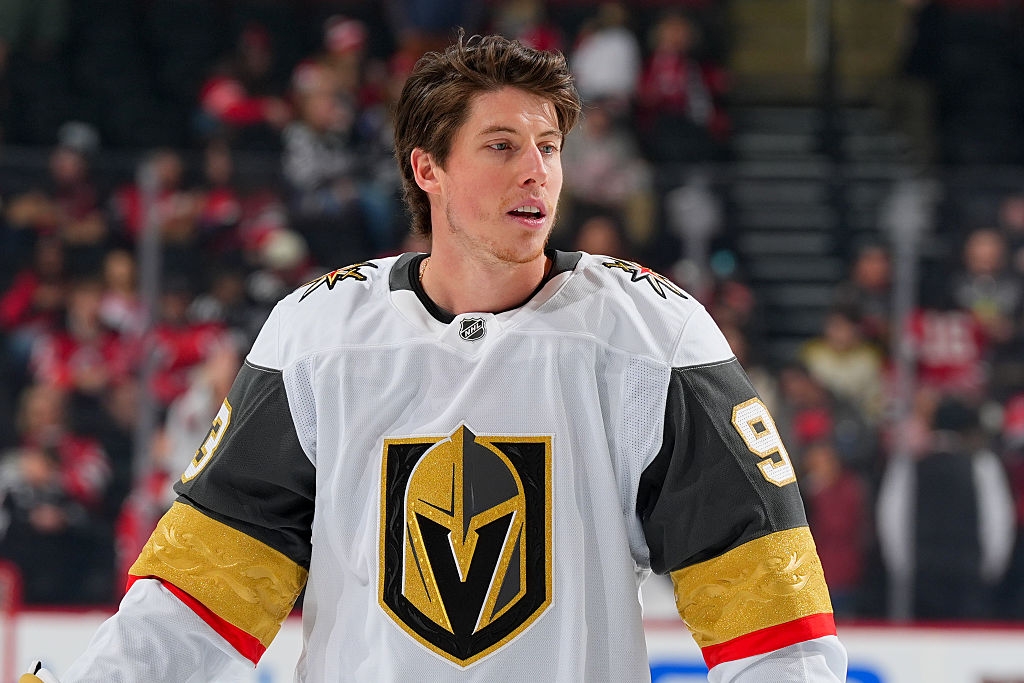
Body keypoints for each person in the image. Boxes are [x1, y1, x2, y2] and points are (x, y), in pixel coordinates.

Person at [23, 33, 846, 682]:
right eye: (500, 145)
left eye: (550, 146)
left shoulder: (654, 337)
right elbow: (202, 597)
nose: (537, 171)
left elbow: (769, 614)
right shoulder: (318, 336)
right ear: (429, 169)